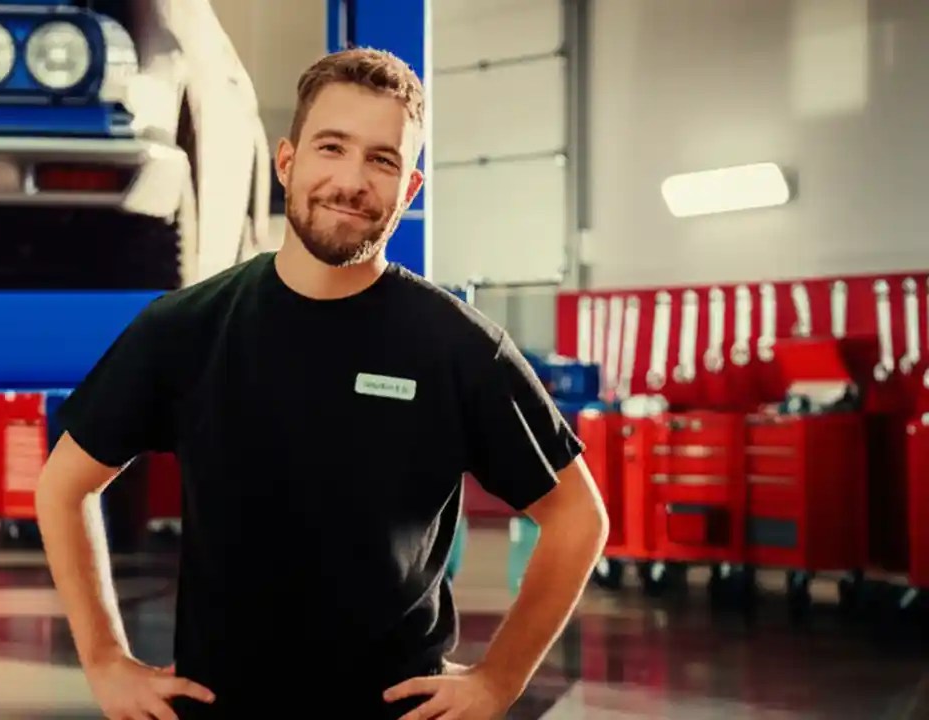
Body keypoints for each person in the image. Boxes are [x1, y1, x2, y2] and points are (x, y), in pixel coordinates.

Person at [35, 47, 609, 720]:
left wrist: (497, 680)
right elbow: (64, 484)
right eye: (331, 148)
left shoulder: (456, 347)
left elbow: (576, 517)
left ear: (410, 190)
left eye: (382, 159)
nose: (352, 180)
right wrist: (105, 661)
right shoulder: (187, 329)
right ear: (287, 162)